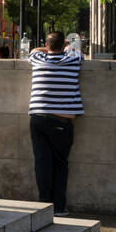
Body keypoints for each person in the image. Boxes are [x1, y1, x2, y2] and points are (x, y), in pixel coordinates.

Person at [28, 30, 84, 216]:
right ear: (64, 44)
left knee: (42, 163)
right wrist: (65, 46)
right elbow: (76, 51)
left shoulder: (37, 59)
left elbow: (34, 50)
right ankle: (59, 207)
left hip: (37, 117)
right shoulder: (73, 60)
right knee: (60, 164)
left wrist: (50, 47)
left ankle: (44, 205)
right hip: (62, 120)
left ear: (47, 44)